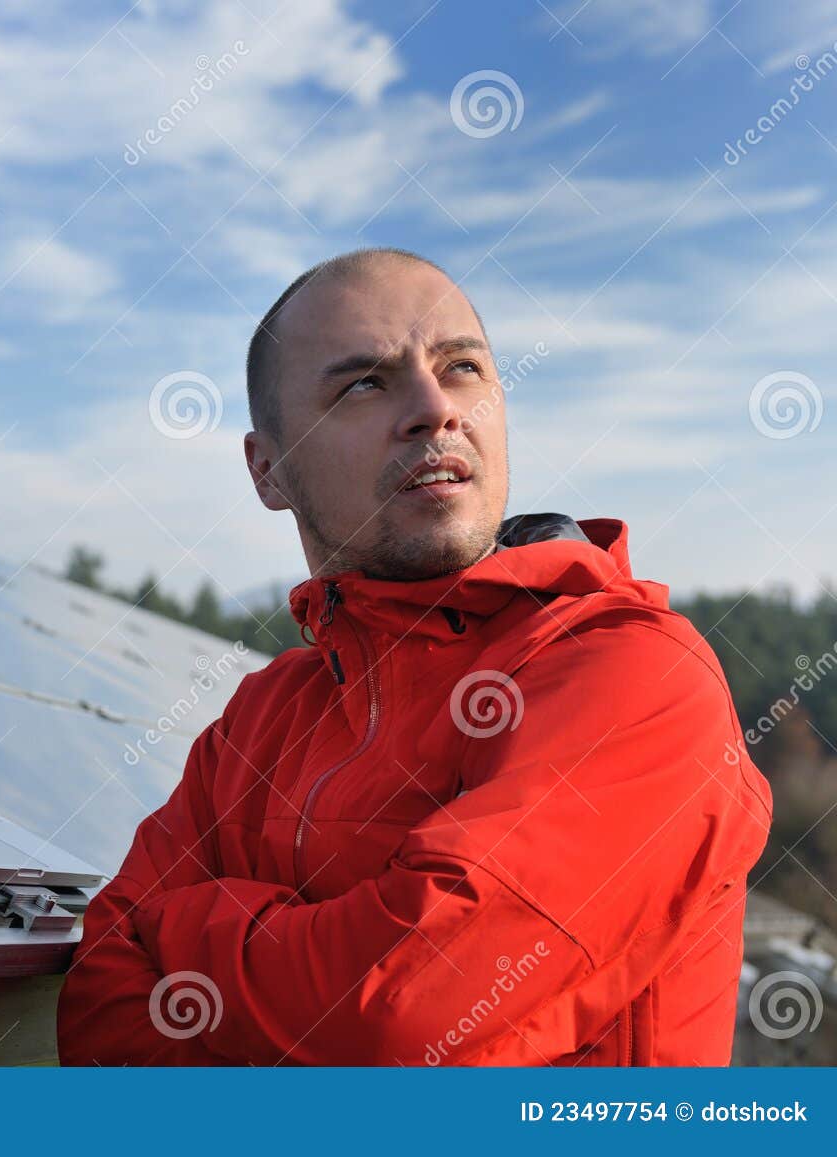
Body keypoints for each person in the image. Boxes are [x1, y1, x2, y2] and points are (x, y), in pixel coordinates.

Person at [55, 247, 774, 1065]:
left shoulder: (633, 674)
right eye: (364, 382)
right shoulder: (258, 721)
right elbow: (98, 1012)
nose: (435, 409)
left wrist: (175, 925)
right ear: (268, 469)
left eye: (461, 367)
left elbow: (398, 1013)